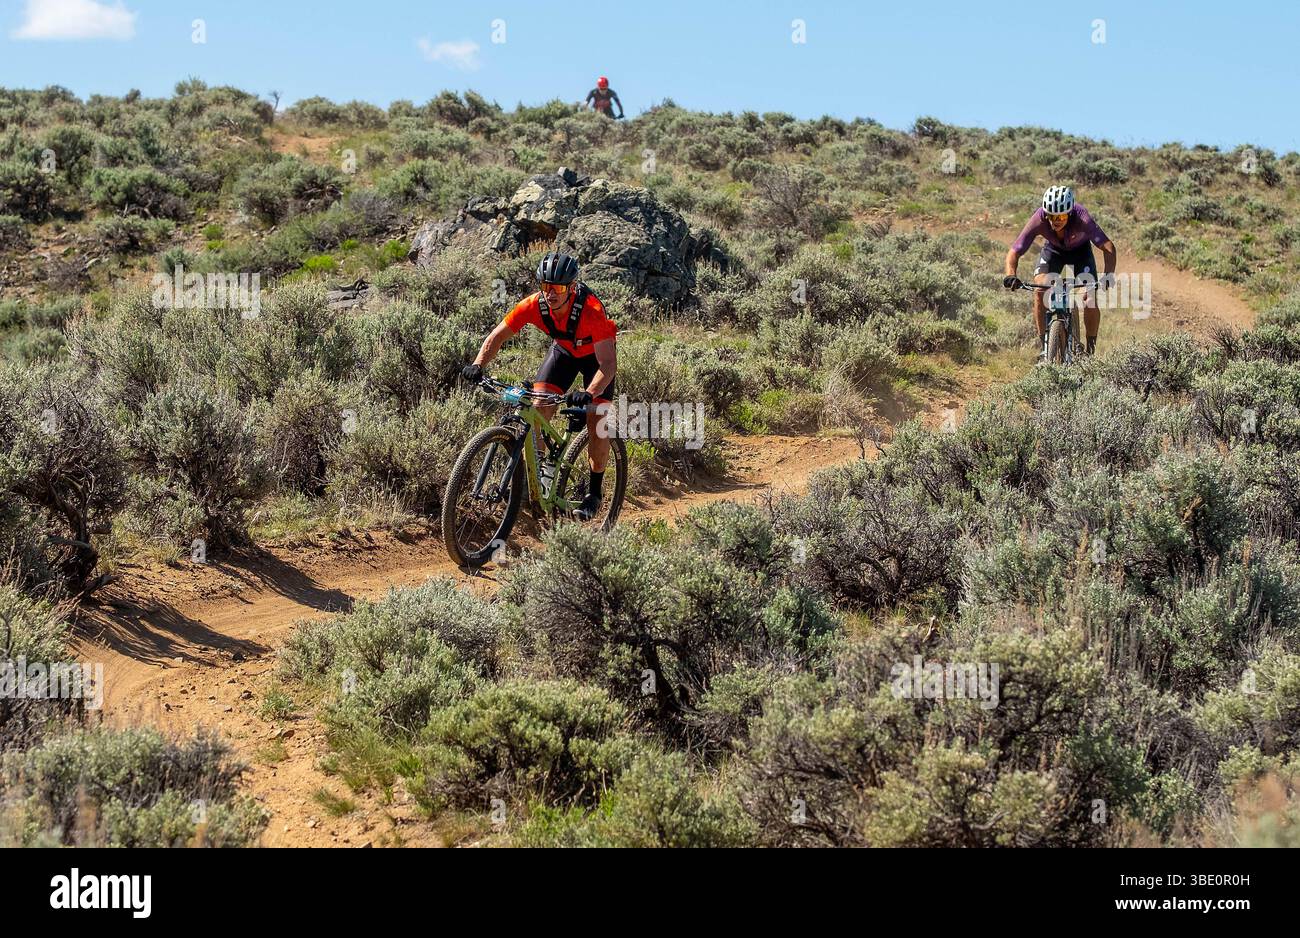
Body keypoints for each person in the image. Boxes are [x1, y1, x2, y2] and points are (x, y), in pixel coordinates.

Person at [461, 252, 618, 521]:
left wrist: (589, 393)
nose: (551, 294)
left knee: (597, 419)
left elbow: (608, 365)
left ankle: (594, 493)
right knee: (538, 405)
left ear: (571, 288)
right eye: (546, 287)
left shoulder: (591, 311)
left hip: (596, 359)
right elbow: (497, 336)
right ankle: (541, 476)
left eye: (557, 288)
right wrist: (478, 364)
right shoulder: (533, 305)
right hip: (564, 353)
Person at [1003, 185, 1117, 360]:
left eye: (1061, 216)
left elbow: (1108, 247)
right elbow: (1014, 251)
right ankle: (1045, 349)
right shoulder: (1039, 218)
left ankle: (1090, 352)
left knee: (1090, 298)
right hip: (1054, 251)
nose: (1054, 221)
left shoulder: (1081, 217)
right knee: (1040, 291)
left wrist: (1108, 275)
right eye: (1051, 215)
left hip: (1081, 253)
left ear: (1069, 213)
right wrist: (1011, 274)